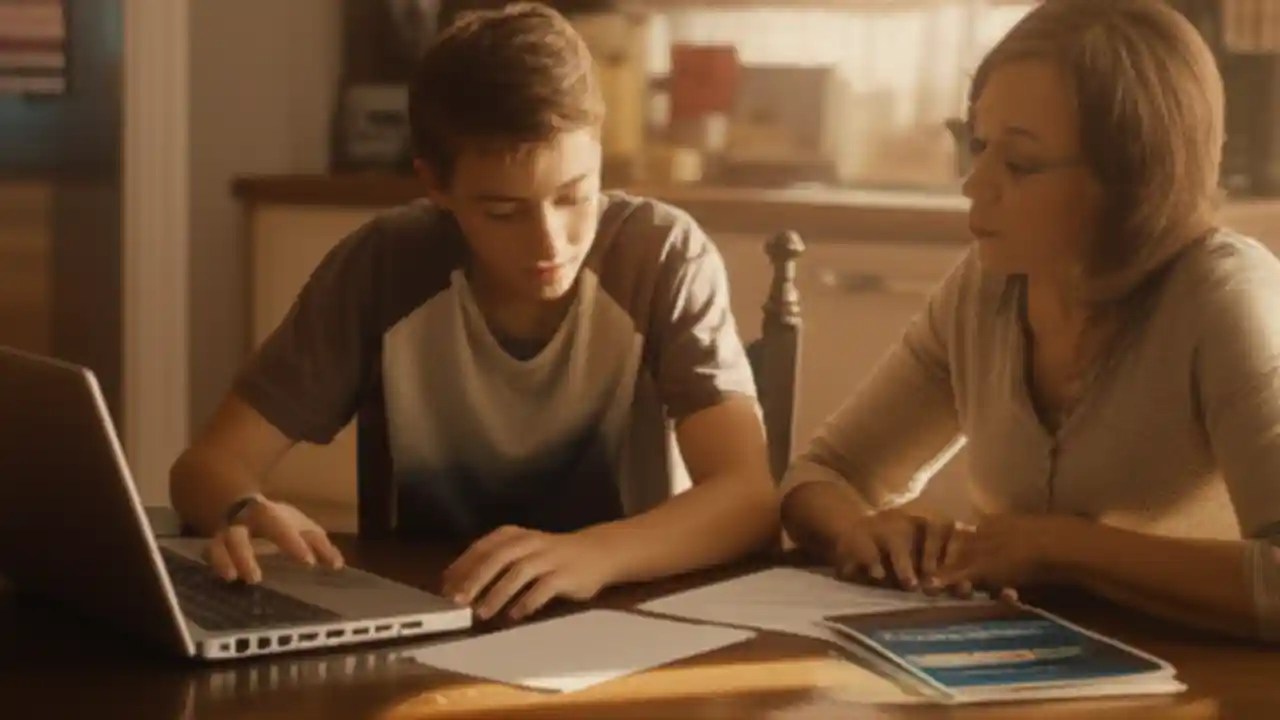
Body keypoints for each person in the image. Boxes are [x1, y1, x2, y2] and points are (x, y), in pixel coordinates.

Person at [170, 3, 777, 623]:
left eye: (574, 196)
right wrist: (244, 507)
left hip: (621, 616)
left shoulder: (661, 255)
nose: (551, 243)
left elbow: (747, 497)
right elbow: (206, 467)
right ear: (435, 185)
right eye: (503, 213)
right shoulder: (382, 266)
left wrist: (594, 555)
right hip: (429, 613)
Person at [781, 0, 1280, 641]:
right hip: (1027, 675)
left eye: (1018, 163)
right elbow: (823, 475)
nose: (973, 183)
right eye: (977, 144)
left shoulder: (1225, 299)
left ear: (1133, 177)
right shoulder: (985, 286)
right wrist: (862, 530)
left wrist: (1062, 547)